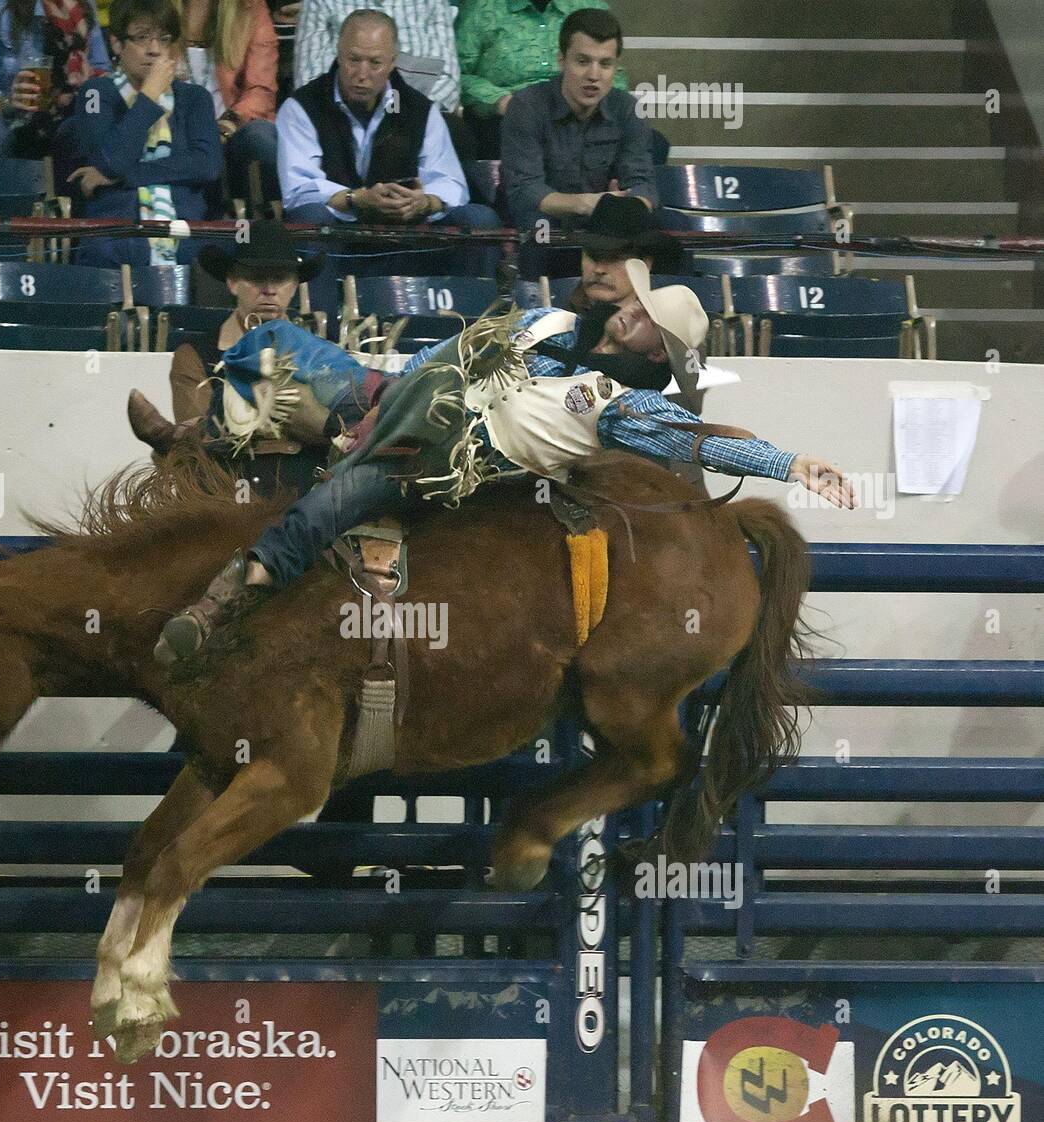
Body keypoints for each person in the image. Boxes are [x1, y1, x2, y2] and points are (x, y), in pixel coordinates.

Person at [155, 259, 857, 661]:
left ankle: (225, 599)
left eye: (647, 319)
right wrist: (386, 397)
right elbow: (452, 355)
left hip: (447, 462)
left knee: (334, 502)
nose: (630, 311)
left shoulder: (620, 402)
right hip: (411, 399)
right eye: (639, 304)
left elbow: (693, 440)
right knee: (273, 339)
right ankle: (198, 431)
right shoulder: (546, 322)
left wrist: (788, 464)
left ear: (655, 354)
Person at [128, 220, 336, 494]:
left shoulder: (319, 351)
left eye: (281, 277)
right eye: (256, 277)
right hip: (229, 480)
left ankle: (170, 437)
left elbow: (337, 431)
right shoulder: (195, 353)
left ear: (295, 285)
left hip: (306, 480)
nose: (269, 290)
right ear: (232, 281)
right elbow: (207, 439)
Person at [276, 9, 497, 236]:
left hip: (407, 236)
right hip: (337, 234)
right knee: (309, 216)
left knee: (480, 218)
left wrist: (425, 202)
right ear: (339, 54)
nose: (362, 74)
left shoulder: (417, 109)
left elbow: (451, 185)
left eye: (375, 63)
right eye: (354, 59)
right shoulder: (304, 106)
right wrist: (357, 199)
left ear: (393, 62)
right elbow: (298, 192)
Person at [59, 0, 222, 267]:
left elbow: (206, 166)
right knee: (107, 251)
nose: (154, 50)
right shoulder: (94, 93)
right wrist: (149, 97)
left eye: (164, 39)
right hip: (117, 228)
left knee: (230, 246)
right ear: (116, 44)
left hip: (186, 224)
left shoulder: (196, 98)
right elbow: (110, 161)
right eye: (142, 38)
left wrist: (125, 177)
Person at [500, 7, 655, 233]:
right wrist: (591, 204)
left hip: (606, 221)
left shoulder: (627, 109)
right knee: (538, 224)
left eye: (605, 64)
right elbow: (525, 192)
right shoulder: (527, 106)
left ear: (616, 67)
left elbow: (643, 185)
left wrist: (629, 204)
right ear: (562, 61)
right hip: (545, 218)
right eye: (582, 61)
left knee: (671, 224)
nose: (594, 75)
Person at [292, 0, 473, 158]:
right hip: (342, 117)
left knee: (451, 131)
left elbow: (448, 78)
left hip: (413, 119)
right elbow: (310, 79)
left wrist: (398, 113)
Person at [456, 0, 629, 159]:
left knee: (651, 142)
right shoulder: (481, 8)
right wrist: (501, 100)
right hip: (510, 116)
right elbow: (458, 75)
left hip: (581, 112)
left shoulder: (589, 6)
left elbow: (615, 73)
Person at [0, 0, 110, 156]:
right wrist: (8, 102)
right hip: (14, 120)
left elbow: (100, 69)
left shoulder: (84, 4)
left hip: (75, 109)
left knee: (105, 118)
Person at [171, 0, 280, 207]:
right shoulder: (155, 8)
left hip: (230, 129)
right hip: (172, 125)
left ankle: (261, 222)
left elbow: (260, 90)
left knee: (262, 136)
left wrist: (225, 126)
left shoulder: (250, 8)